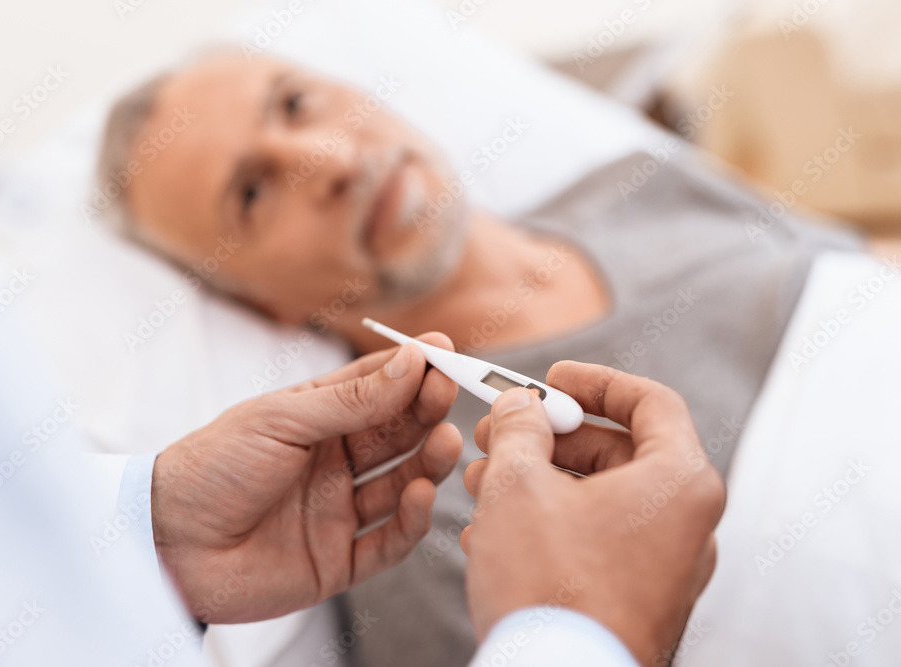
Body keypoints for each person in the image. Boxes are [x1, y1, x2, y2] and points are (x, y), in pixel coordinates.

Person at [93, 50, 858, 665]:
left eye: (295, 103)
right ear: (262, 306)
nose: (327, 159)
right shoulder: (419, 503)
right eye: (254, 193)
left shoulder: (633, 185)